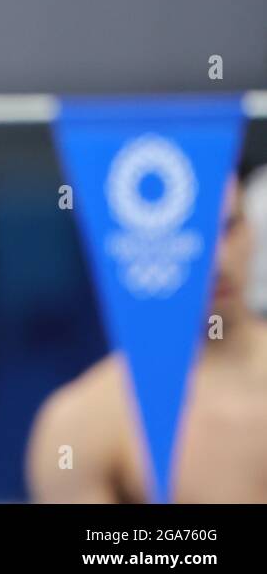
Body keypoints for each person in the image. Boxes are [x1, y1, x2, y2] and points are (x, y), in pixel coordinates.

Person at [25, 159, 267, 503]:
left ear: (253, 230)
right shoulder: (85, 422)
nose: (218, 260)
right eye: (190, 234)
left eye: (229, 227)